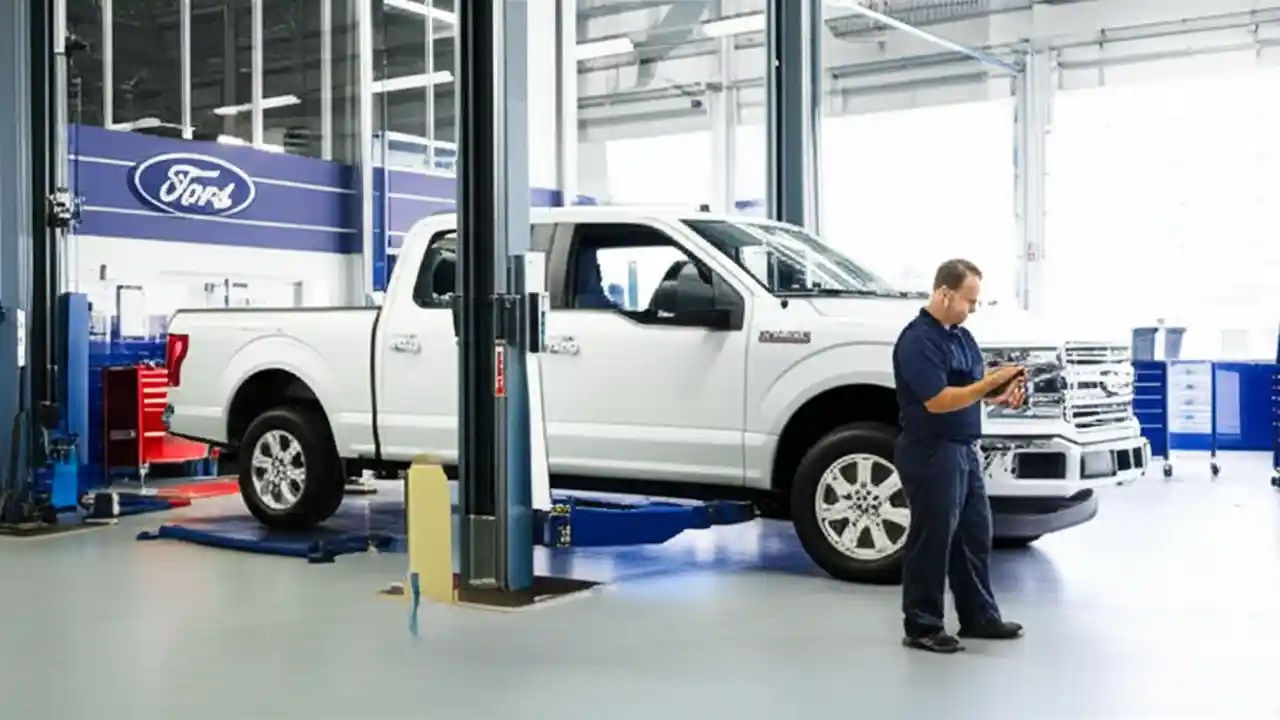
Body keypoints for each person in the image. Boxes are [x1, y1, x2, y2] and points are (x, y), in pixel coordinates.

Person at [891, 258, 1028, 654]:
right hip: (931, 450)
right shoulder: (918, 341)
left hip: (965, 450)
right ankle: (922, 624)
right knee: (932, 539)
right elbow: (937, 400)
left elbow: (971, 392)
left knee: (973, 534)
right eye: (969, 300)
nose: (972, 308)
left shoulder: (962, 338)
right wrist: (987, 383)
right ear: (944, 293)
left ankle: (979, 616)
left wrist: (1002, 394)